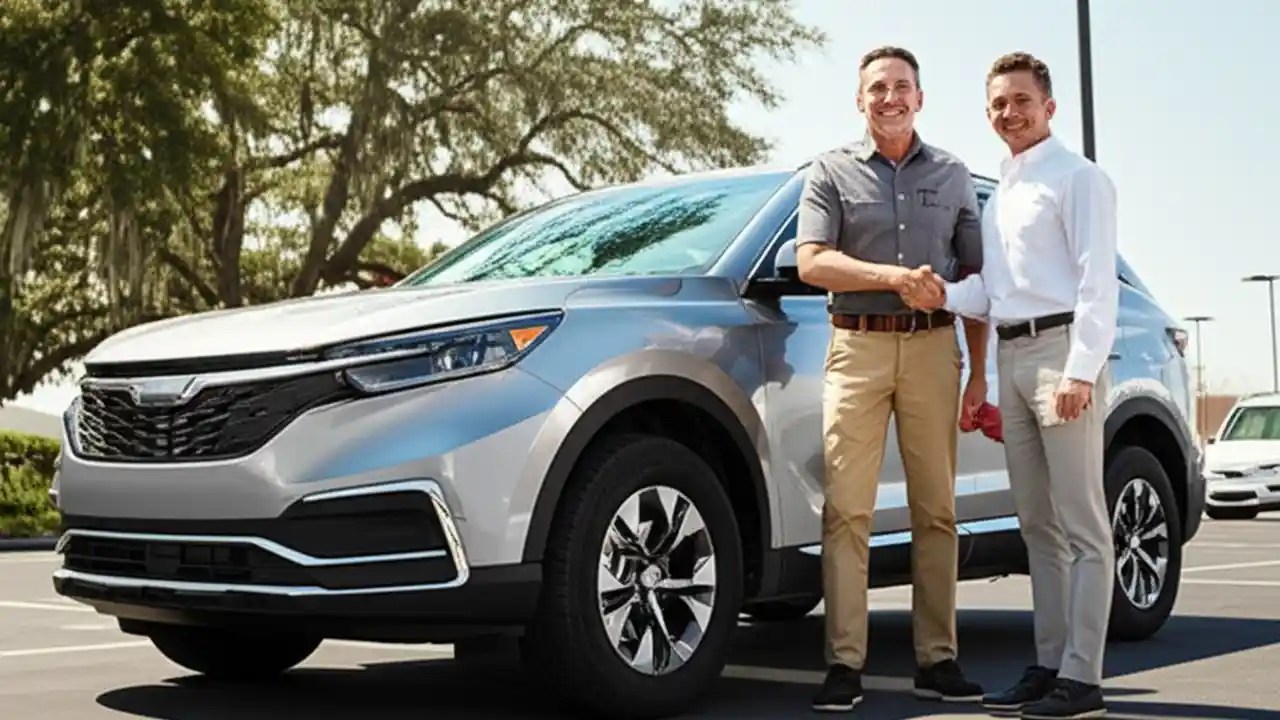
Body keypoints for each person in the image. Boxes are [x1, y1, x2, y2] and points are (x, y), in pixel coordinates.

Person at [795, 45, 988, 713]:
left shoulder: (953, 174)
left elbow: (976, 281)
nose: (889, 97)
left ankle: (938, 659)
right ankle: (844, 664)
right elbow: (812, 261)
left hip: (935, 351)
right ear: (860, 100)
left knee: (937, 509)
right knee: (847, 510)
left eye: (901, 86)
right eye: (877, 88)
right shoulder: (830, 171)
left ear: (920, 98)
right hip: (858, 349)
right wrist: (893, 278)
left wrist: (978, 373)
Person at [933, 50, 1119, 719]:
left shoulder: (1079, 178)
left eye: (1021, 101)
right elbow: (991, 292)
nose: (1009, 113)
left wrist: (1081, 370)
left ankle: (1083, 678)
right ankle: (1048, 666)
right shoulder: (1003, 192)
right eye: (998, 104)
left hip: (1060, 353)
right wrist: (940, 292)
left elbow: (1097, 283)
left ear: (1048, 107)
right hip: (1011, 357)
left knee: (1083, 526)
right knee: (1038, 526)